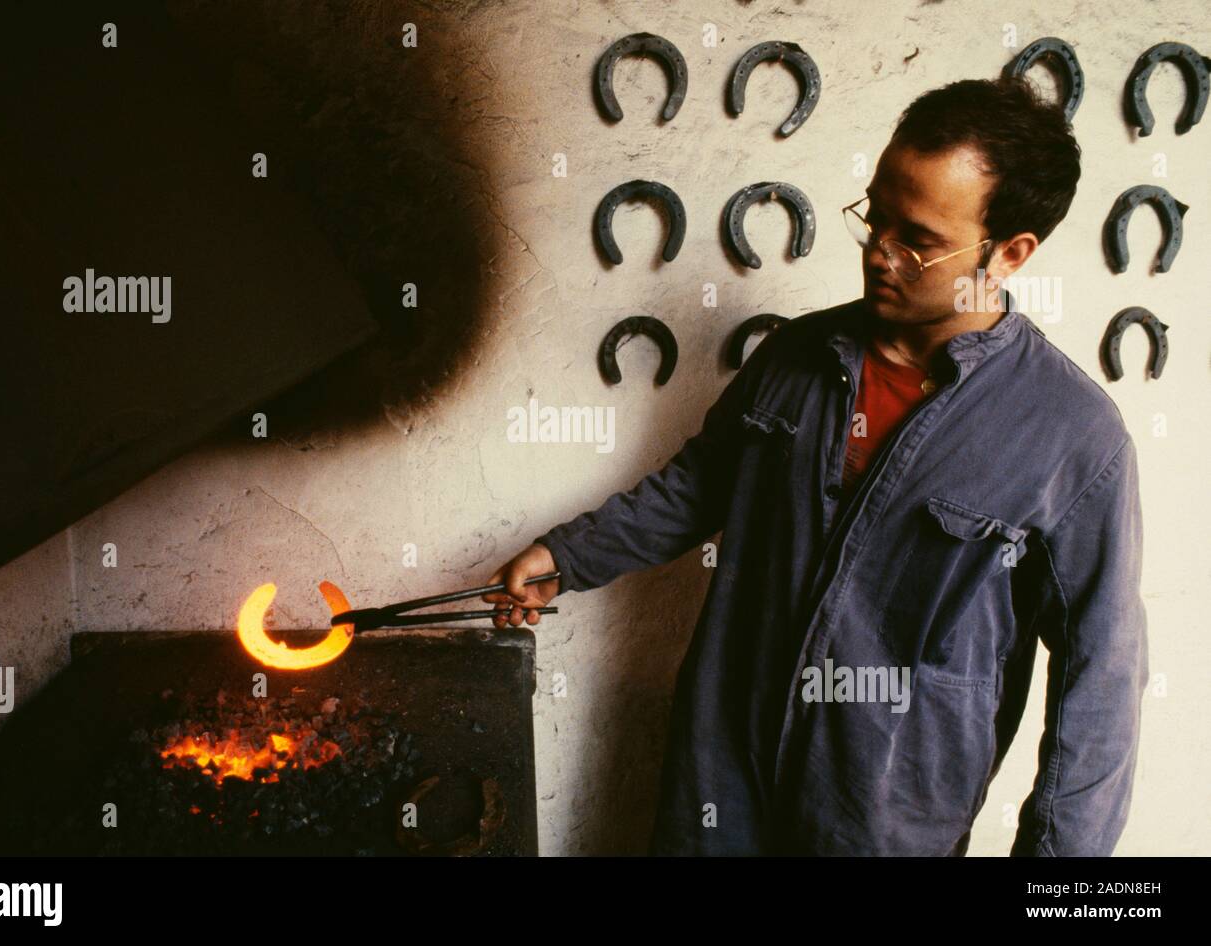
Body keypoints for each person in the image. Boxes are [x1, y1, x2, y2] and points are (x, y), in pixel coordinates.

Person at [482, 75, 1148, 856]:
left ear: (1009, 254)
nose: (879, 253)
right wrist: (570, 555)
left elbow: (1099, 678)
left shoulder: (1073, 433)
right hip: (721, 774)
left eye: (919, 240)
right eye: (876, 216)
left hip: (885, 814)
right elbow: (700, 484)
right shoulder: (797, 355)